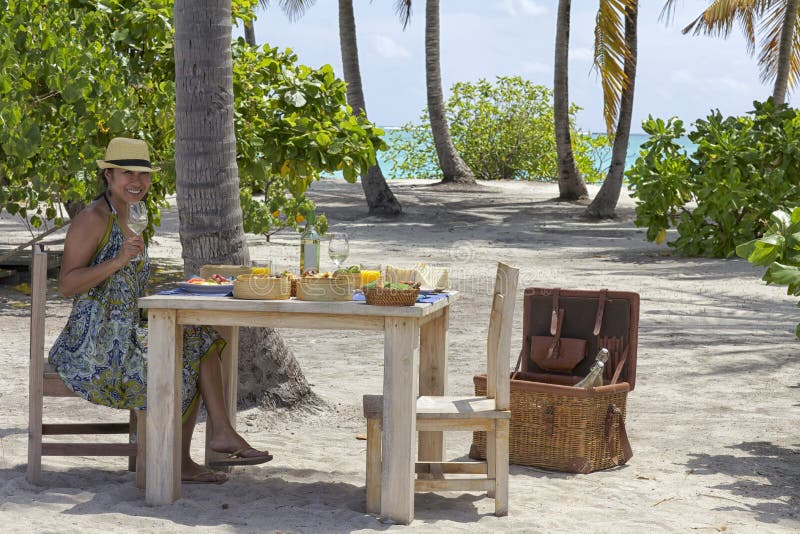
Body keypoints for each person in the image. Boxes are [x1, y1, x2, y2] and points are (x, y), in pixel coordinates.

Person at [49, 137, 271, 484]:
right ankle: (188, 453)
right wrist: (118, 260)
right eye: (127, 173)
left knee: (199, 338)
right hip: (93, 345)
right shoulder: (92, 219)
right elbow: (66, 285)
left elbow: (125, 286)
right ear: (108, 175)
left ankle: (215, 436)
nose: (137, 181)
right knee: (180, 358)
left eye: (143, 174)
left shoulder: (133, 215)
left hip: (128, 329)